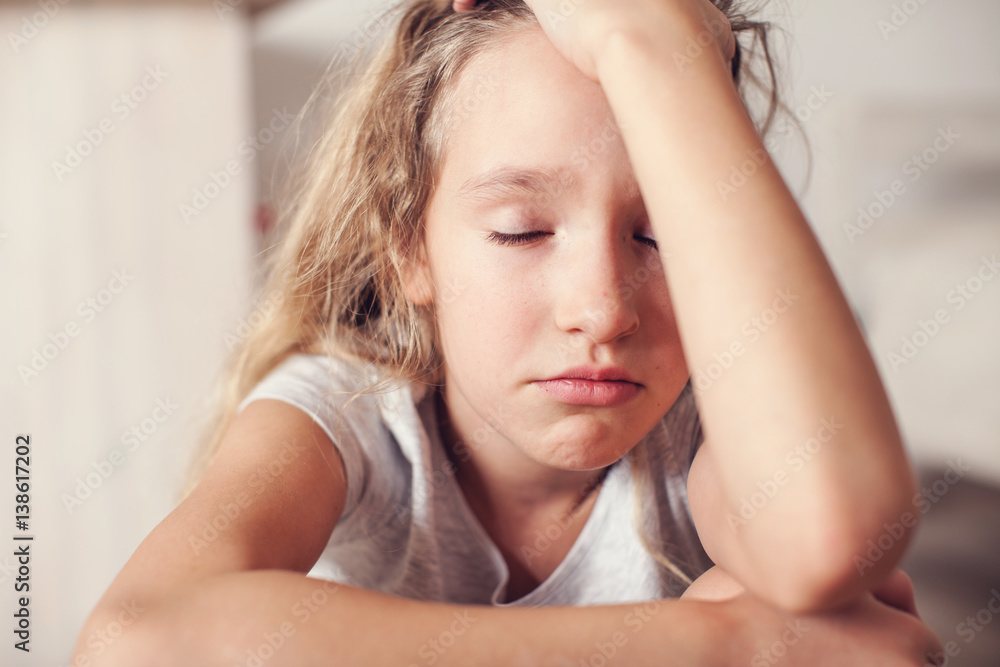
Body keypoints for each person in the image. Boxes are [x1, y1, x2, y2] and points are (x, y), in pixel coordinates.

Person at [73, 0, 945, 664]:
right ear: (410, 249)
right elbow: (138, 639)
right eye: (522, 232)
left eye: (663, 236)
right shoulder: (348, 415)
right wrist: (725, 643)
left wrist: (651, 41)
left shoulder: (701, 439)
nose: (602, 310)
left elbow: (831, 532)